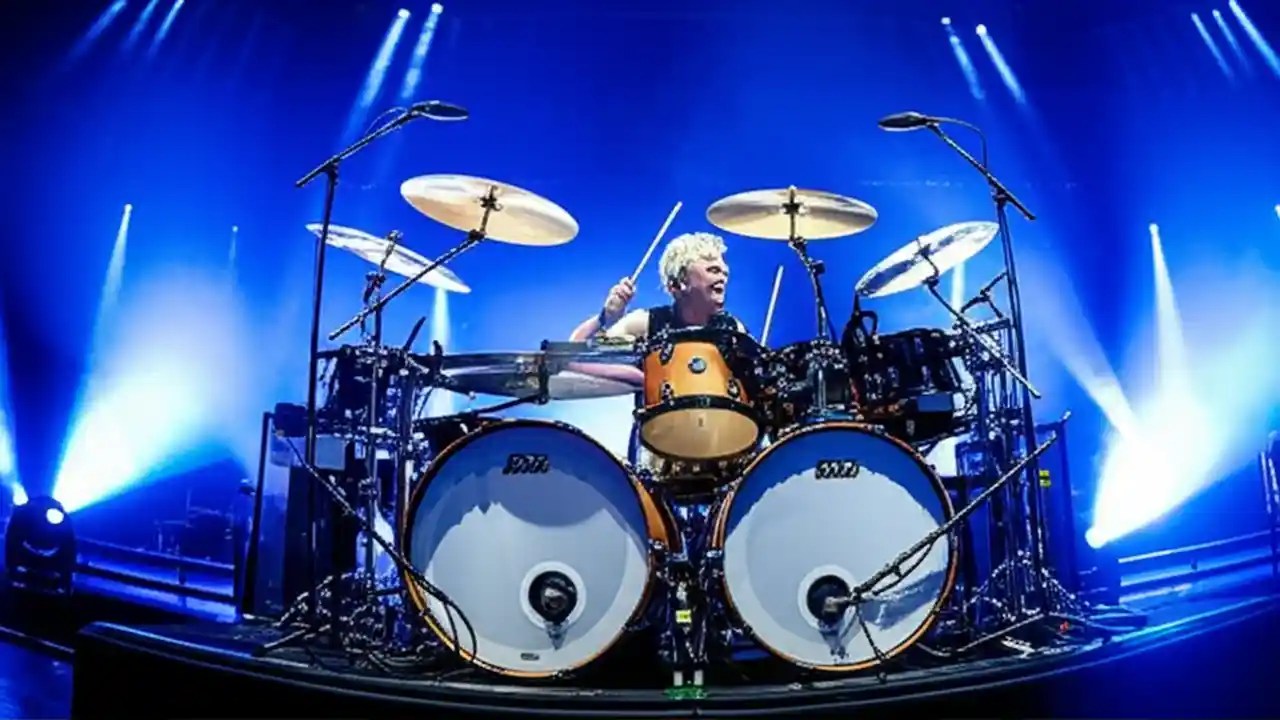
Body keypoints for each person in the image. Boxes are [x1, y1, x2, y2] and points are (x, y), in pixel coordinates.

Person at [570, 231, 748, 343]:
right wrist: (606, 318)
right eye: (713, 270)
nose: (723, 278)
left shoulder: (732, 328)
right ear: (678, 284)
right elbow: (572, 355)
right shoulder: (647, 323)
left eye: (724, 272)